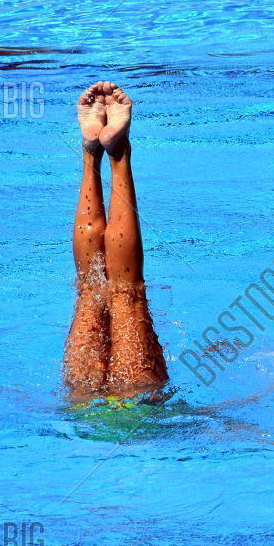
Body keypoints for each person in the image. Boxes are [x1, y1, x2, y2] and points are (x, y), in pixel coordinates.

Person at [62, 81, 169, 397]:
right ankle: (105, 153)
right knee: (101, 293)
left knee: (111, 293)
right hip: (94, 408)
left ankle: (99, 152)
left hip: (93, 410)